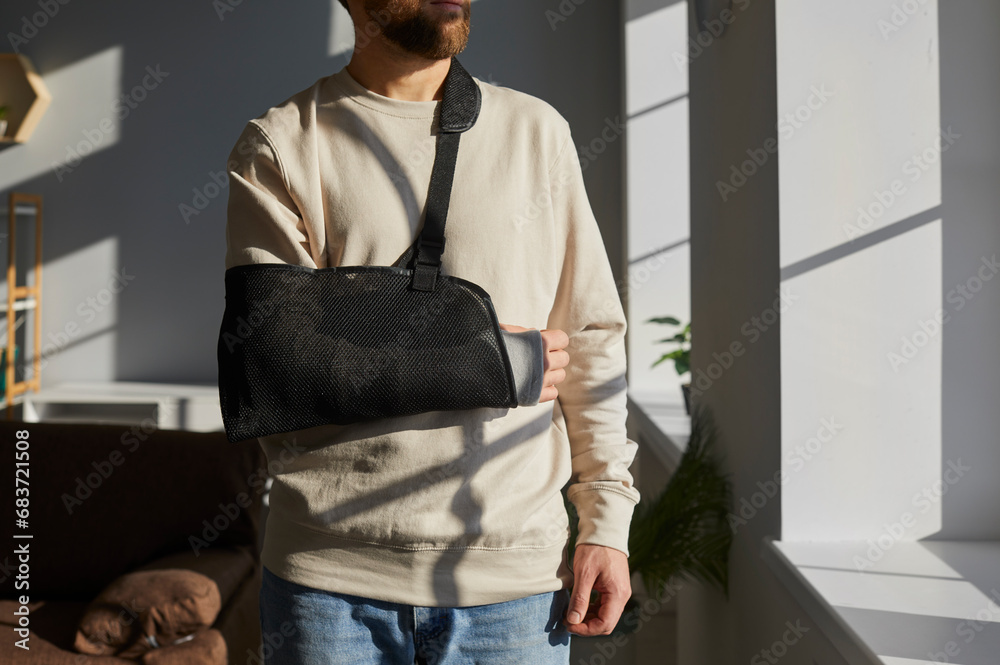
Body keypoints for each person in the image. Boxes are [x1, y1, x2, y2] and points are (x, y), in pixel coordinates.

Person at [223, 0, 641, 662]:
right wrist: (480, 360)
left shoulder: (536, 133)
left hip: (513, 588)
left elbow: (589, 336)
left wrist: (607, 521)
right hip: (328, 583)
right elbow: (274, 363)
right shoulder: (280, 143)